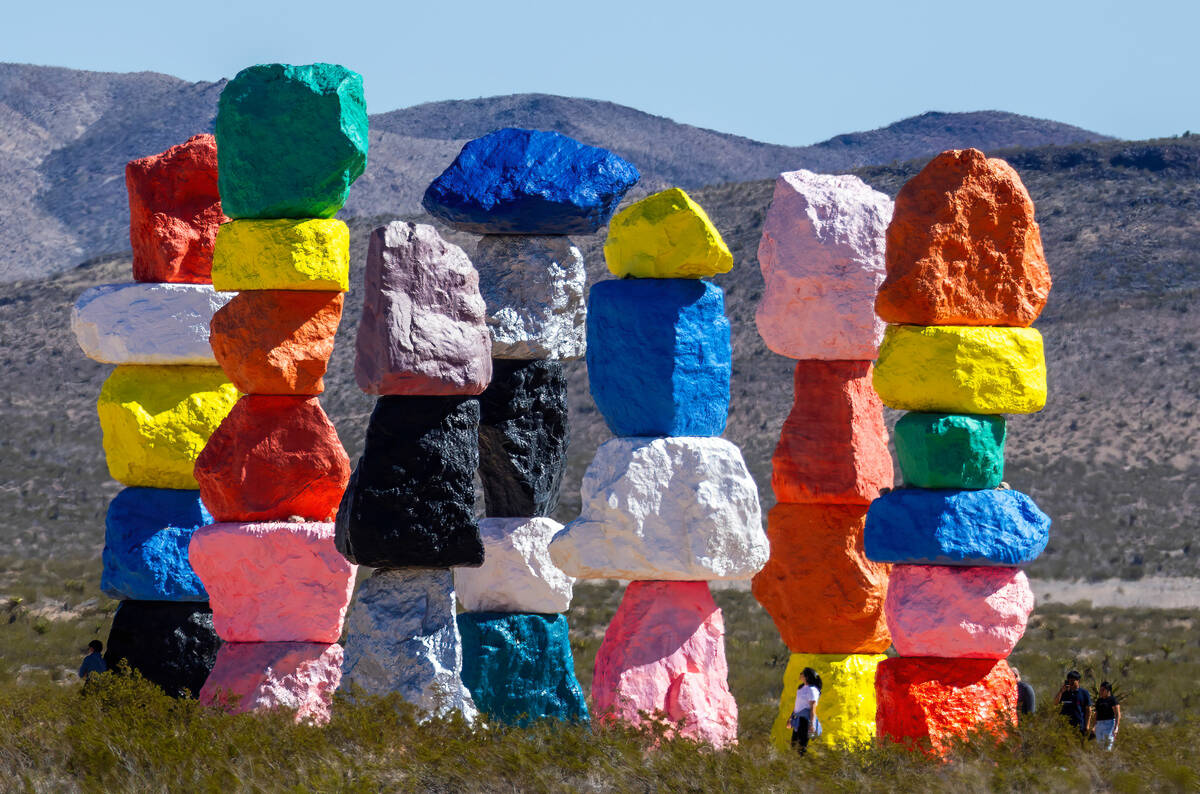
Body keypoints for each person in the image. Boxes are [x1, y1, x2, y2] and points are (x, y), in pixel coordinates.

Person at [788, 667, 822, 754]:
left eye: (802, 673)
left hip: (805, 721)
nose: (800, 674)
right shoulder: (801, 688)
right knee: (793, 745)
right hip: (797, 720)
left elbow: (812, 709)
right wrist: (790, 719)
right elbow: (797, 706)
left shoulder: (812, 690)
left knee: (801, 748)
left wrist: (811, 724)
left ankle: (801, 765)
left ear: (806, 676)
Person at [1054, 670, 1092, 738]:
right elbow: (1055, 703)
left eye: (1072, 681)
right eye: (1069, 680)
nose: (1070, 683)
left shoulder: (1084, 693)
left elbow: (1088, 710)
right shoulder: (1064, 693)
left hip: (1079, 726)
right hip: (1064, 726)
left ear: (1078, 681)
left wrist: (1087, 725)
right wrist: (1061, 691)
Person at [1090, 681, 1121, 751]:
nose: (1101, 692)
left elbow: (1117, 714)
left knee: (1107, 744)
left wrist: (1116, 727)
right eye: (1100, 690)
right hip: (1099, 724)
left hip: (1109, 724)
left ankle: (1107, 758)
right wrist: (1094, 726)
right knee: (1100, 745)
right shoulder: (1099, 701)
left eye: (1103, 690)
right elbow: (1096, 714)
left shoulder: (1113, 700)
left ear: (1108, 690)